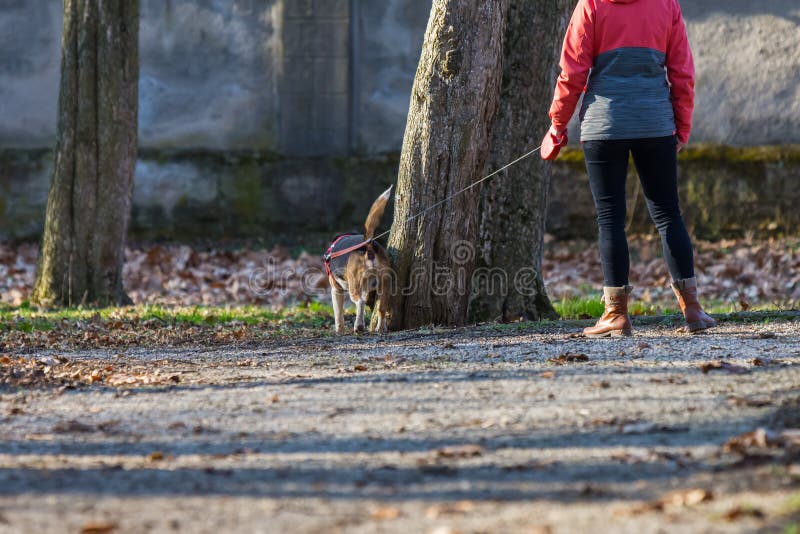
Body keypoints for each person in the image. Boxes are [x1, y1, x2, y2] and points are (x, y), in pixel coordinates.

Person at [544, 0, 715, 337]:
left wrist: (557, 126)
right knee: (668, 214)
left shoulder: (591, 5)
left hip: (603, 125)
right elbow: (683, 72)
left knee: (610, 218)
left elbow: (572, 73)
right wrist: (682, 126)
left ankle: (615, 313)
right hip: (655, 123)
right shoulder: (666, 5)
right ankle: (692, 309)